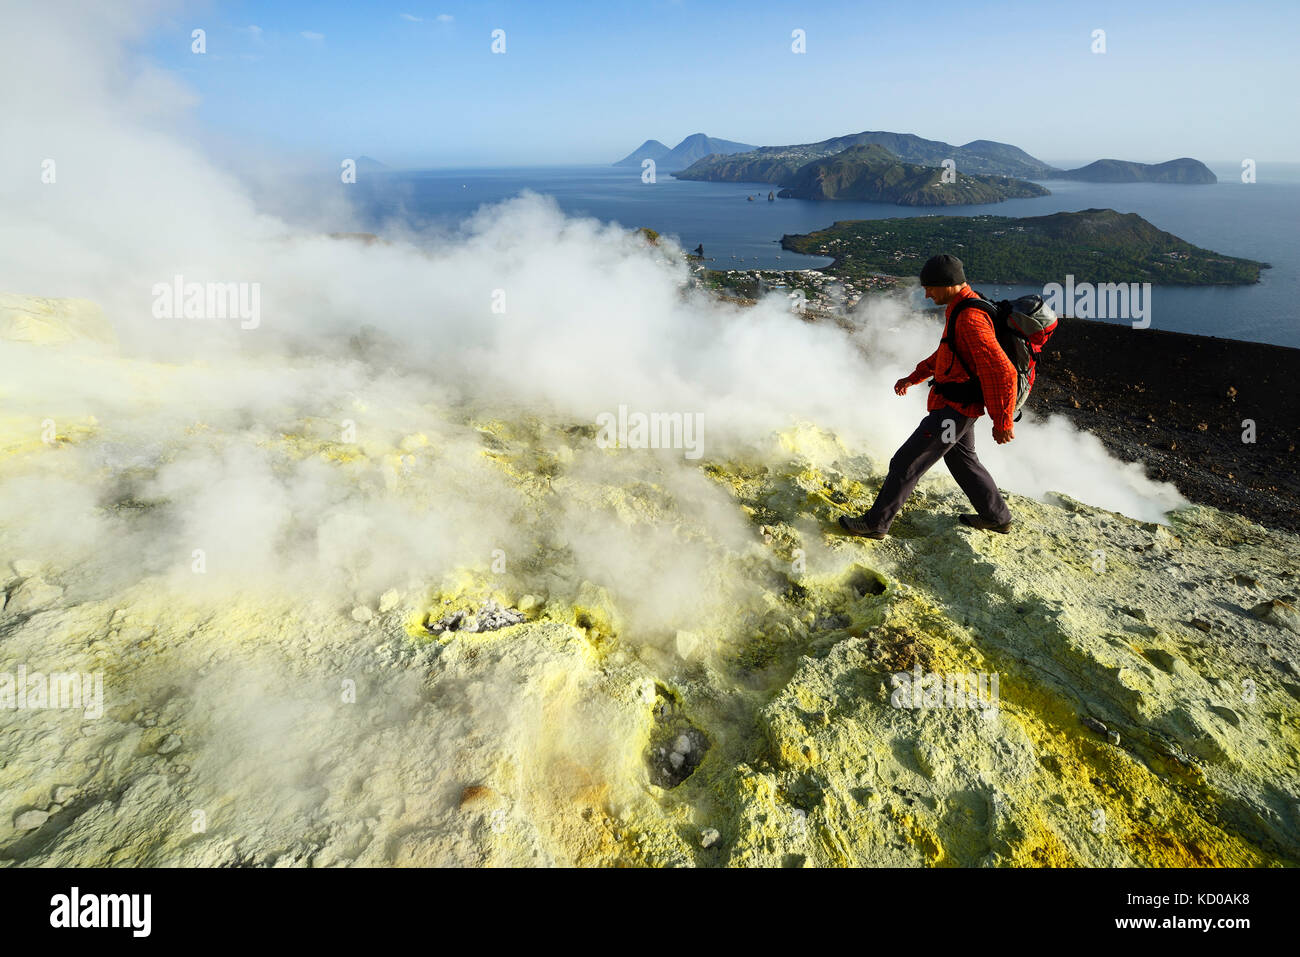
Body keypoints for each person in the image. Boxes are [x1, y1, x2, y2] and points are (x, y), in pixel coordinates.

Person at [839, 254, 1016, 539]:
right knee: (962, 460)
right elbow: (948, 354)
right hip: (958, 407)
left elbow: (1002, 372)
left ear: (948, 284)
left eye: (930, 287)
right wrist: (913, 377)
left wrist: (1003, 421)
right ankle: (996, 517)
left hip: (954, 411)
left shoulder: (970, 317)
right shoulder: (961, 307)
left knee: (907, 461)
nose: (926, 293)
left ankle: (876, 524)